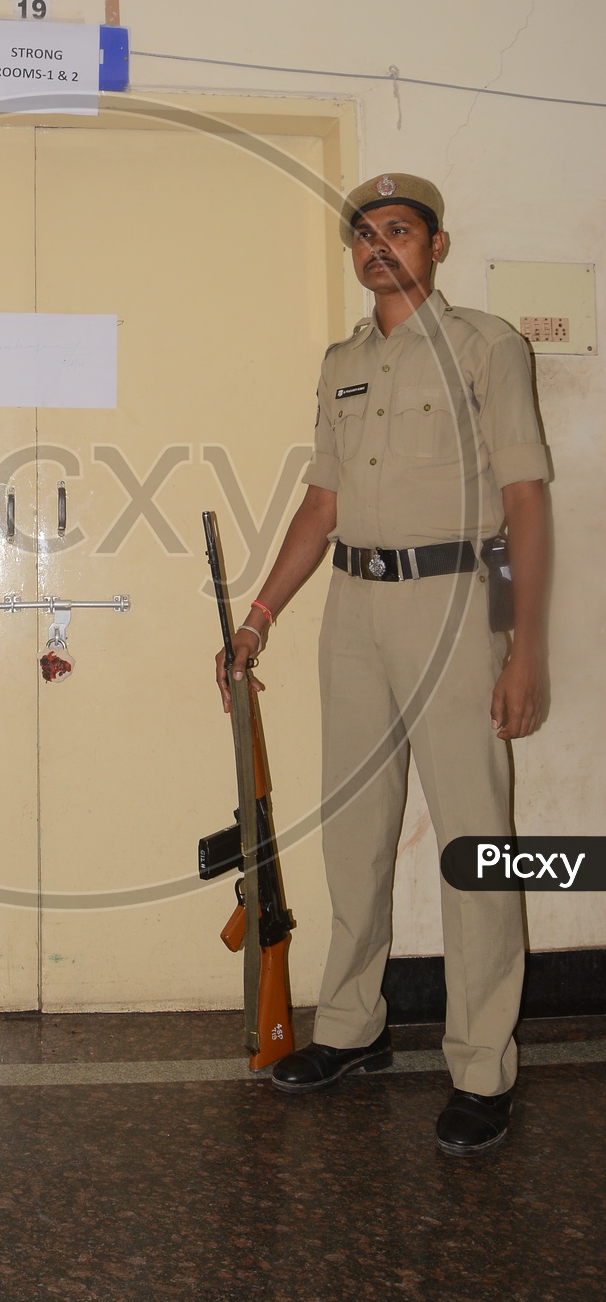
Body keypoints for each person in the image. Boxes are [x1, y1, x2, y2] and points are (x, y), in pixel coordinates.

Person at [216, 172, 548, 1156]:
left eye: (397, 230)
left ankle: (483, 1065)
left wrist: (524, 644)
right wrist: (260, 613)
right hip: (352, 611)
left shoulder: (490, 347)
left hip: (455, 601)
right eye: (363, 234)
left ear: (435, 244)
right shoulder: (341, 362)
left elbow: (525, 499)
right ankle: (353, 1027)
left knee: (476, 840)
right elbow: (321, 503)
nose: (377, 247)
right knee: (351, 829)